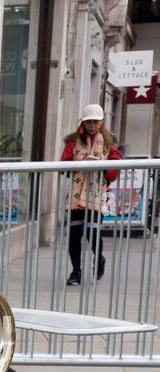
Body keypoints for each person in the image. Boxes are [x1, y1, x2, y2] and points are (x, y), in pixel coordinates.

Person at [60, 103, 122, 286]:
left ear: (101, 122)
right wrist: (77, 164)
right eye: (89, 122)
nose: (92, 126)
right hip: (76, 193)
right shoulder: (73, 139)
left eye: (95, 122)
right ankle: (76, 271)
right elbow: (64, 163)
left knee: (93, 232)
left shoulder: (110, 141)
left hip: (96, 191)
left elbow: (115, 165)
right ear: (84, 122)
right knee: (74, 234)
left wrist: (103, 167)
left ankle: (99, 258)